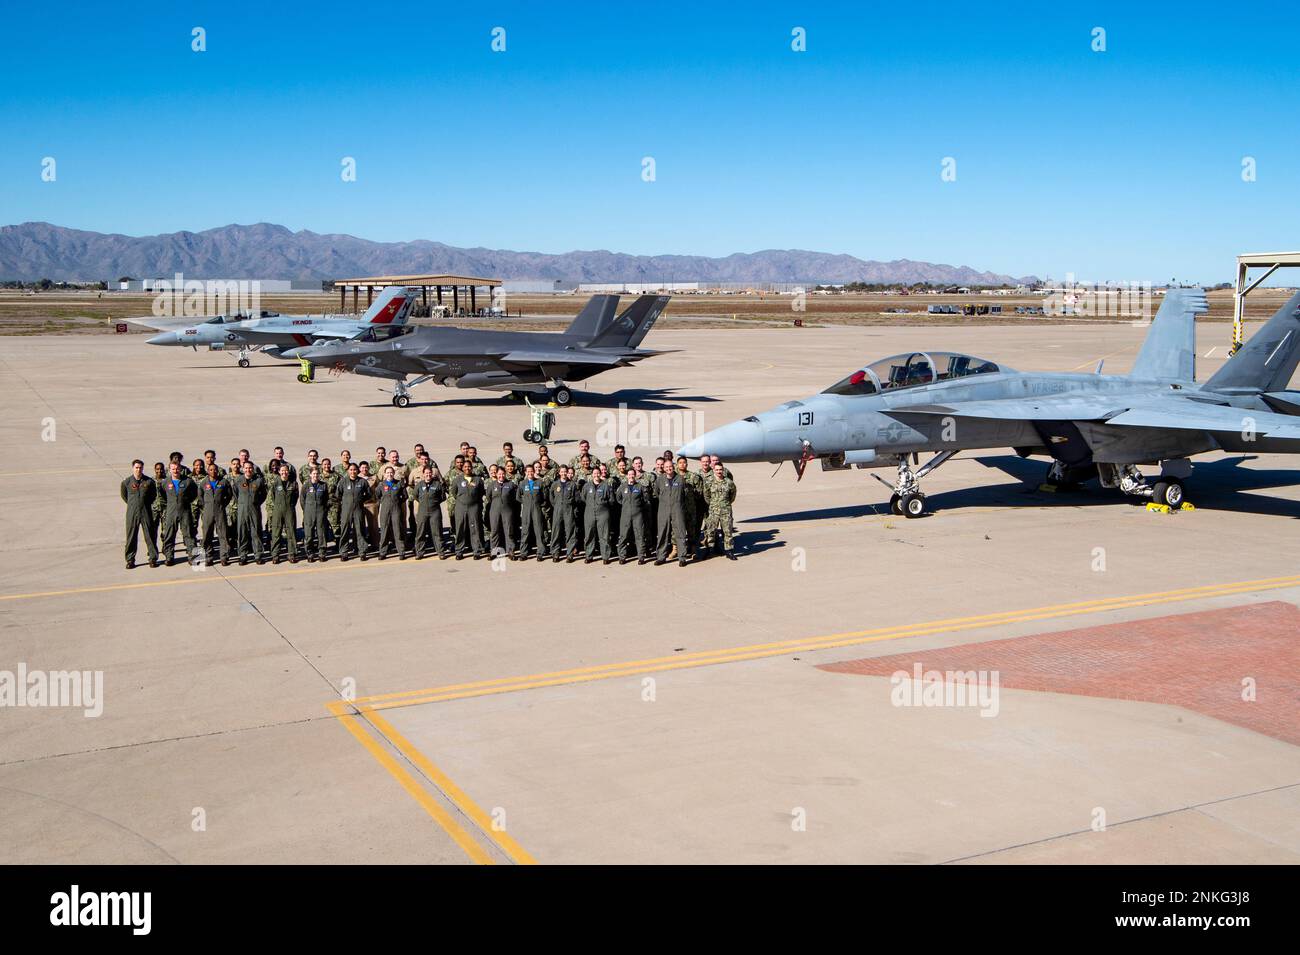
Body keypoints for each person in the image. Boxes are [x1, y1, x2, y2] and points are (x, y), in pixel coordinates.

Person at [121, 459, 159, 569]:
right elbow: (124, 496)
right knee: (131, 536)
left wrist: (144, 504)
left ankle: (153, 558)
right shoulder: (127, 482)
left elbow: (153, 495)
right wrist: (133, 505)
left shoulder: (149, 482)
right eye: (136, 467)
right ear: (133, 468)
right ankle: (130, 559)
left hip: (146, 511)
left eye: (140, 468)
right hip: (132, 513)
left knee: (150, 535)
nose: (138, 469)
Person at [160, 460, 198, 565]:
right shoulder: (165, 482)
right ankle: (169, 557)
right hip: (171, 512)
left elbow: (194, 494)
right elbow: (163, 496)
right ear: (169, 470)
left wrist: (185, 502)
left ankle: (192, 556)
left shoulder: (188, 481)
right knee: (169, 535)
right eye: (173, 469)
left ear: (180, 469)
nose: (175, 470)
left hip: (185, 511)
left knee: (189, 534)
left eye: (177, 468)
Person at [655, 458, 691, 567]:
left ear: (673, 466)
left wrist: (678, 504)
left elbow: (685, 495)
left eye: (670, 466)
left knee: (680, 532)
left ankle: (682, 558)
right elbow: (657, 493)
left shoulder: (680, 479)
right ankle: (661, 557)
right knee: (662, 533)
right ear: (663, 468)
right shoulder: (660, 480)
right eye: (666, 467)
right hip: (664, 509)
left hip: (677, 509)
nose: (668, 468)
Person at [198, 462, 232, 566]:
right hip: (208, 511)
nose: (213, 471)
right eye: (211, 470)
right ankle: (209, 556)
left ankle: (224, 557)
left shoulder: (223, 482)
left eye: (215, 470)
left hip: (220, 510)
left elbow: (229, 495)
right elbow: (200, 497)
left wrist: (222, 504)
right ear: (208, 471)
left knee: (223, 533)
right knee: (207, 534)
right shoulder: (204, 483)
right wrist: (207, 506)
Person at [412, 465, 449, 559]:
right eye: (426, 473)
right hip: (422, 511)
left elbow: (443, 497)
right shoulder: (419, 485)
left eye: (430, 473)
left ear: (432, 474)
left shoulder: (437, 484)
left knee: (437, 532)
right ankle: (420, 552)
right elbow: (415, 496)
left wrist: (434, 502)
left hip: (435, 511)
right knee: (420, 532)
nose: (428, 475)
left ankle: (441, 552)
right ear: (423, 474)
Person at [336, 463, 371, 561]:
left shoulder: (363, 482)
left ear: (358, 471)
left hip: (358, 509)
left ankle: (362, 551)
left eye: (355, 470)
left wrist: (360, 500)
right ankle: (344, 552)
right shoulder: (343, 482)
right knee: (345, 531)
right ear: (348, 471)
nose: (353, 471)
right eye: (351, 470)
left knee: (360, 530)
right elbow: (338, 494)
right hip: (346, 510)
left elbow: (368, 494)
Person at [616, 463, 650, 564]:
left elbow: (645, 500)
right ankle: (622, 557)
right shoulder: (622, 487)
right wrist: (627, 506)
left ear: (635, 475)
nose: (631, 476)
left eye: (632, 474)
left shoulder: (640, 487)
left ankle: (641, 557)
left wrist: (637, 507)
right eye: (629, 474)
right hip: (625, 515)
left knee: (639, 535)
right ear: (627, 476)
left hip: (638, 515)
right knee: (623, 536)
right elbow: (618, 499)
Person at [703, 462, 738, 559]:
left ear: (723, 470)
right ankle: (709, 549)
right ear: (713, 470)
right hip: (713, 510)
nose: (719, 471)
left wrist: (725, 504)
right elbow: (706, 496)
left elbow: (732, 495)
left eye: (720, 470)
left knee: (727, 531)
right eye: (717, 470)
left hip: (726, 510)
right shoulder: (708, 481)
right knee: (711, 530)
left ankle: (729, 551)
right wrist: (714, 504)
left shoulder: (729, 482)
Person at [452, 460, 486, 558]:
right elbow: (454, 493)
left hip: (474, 507)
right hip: (461, 507)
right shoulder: (457, 480)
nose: (467, 468)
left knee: (475, 528)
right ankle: (459, 551)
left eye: (469, 467)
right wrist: (463, 500)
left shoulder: (478, 480)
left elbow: (481, 493)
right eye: (465, 467)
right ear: (462, 468)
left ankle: (477, 550)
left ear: (472, 468)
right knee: (460, 528)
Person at [580, 468, 615, 563]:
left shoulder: (606, 486)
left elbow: (611, 500)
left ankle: (605, 557)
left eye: (598, 473)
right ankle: (588, 556)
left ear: (600, 474)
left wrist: (602, 505)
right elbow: (583, 498)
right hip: (589, 513)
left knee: (604, 535)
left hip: (603, 513)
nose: (596, 475)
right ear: (592, 475)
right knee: (589, 535)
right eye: (594, 473)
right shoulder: (587, 486)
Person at [234, 461, 266, 565]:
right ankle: (243, 555)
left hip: (254, 509)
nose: (248, 470)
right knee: (242, 533)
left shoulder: (258, 481)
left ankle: (258, 555)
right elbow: (235, 494)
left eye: (250, 468)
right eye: (246, 468)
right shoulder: (238, 480)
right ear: (243, 469)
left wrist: (256, 503)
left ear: (253, 469)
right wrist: (242, 503)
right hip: (242, 509)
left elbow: (263, 494)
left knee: (256, 532)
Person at [267, 463, 299, 564]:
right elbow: (272, 495)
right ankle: (275, 555)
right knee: (276, 533)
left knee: (291, 533)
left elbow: (296, 497)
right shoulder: (275, 482)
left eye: (286, 471)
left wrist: (289, 505)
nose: (284, 472)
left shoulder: (293, 483)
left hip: (289, 510)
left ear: (288, 472)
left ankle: (292, 554)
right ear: (279, 472)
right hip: (278, 510)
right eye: (282, 471)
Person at [517, 464, 549, 560]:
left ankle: (541, 552)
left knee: (539, 530)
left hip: (537, 509)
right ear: (525, 473)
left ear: (534, 472)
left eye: (532, 471)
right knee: (525, 531)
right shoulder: (522, 483)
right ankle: (523, 552)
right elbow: (518, 497)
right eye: (528, 471)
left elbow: (545, 496)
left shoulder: (539, 482)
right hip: (526, 510)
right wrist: (526, 502)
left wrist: (539, 504)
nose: (530, 473)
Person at [549, 465, 580, 561]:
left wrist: (570, 504)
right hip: (558, 510)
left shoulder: (572, 484)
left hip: (568, 510)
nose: (563, 473)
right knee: (556, 532)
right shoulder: (555, 484)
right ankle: (555, 553)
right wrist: (557, 505)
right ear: (559, 473)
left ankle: (569, 553)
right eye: (561, 472)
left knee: (570, 532)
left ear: (567, 472)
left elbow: (577, 498)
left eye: (565, 472)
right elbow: (551, 498)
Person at [300, 465, 331, 562]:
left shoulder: (323, 485)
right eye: (314, 474)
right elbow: (302, 499)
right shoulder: (306, 485)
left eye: (317, 474)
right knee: (309, 533)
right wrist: (306, 510)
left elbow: (327, 499)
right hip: (309, 512)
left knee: (321, 533)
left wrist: (324, 509)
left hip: (320, 512)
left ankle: (322, 553)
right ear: (310, 475)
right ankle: (310, 553)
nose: (315, 475)